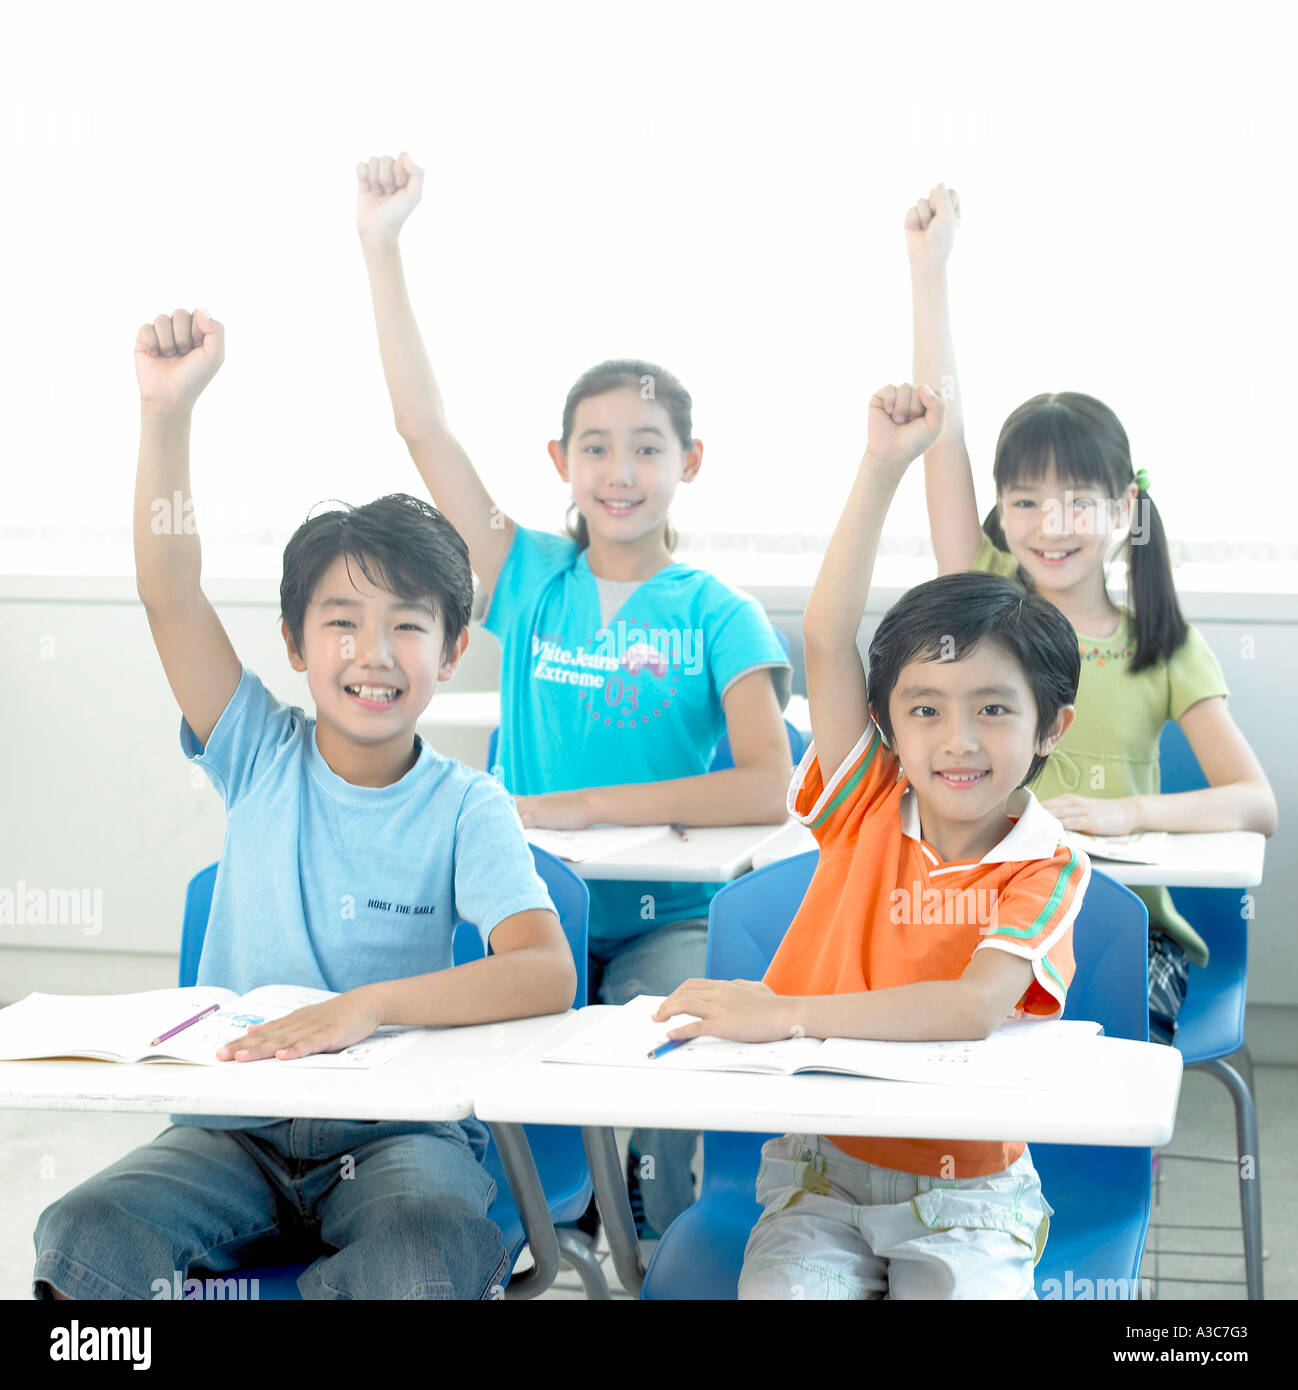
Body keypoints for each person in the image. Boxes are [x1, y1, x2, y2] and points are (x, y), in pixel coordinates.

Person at [32, 308, 575, 1301]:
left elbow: (541, 969)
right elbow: (169, 593)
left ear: (452, 651)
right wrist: (165, 414)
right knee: (81, 1237)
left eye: (406, 624)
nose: (372, 653)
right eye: (341, 623)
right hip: (230, 1126)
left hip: (399, 1131)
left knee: (426, 1254)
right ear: (294, 642)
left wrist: (363, 1009)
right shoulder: (257, 751)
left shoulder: (468, 805)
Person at [357, 152, 794, 1239]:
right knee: (457, 1058)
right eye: (595, 446)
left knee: (669, 1062)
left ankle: (655, 1227)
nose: (619, 468)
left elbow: (766, 786)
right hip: (534, 905)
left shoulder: (717, 611)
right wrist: (382, 245)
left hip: (665, 922)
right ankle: (499, 1225)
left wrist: (583, 804)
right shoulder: (528, 580)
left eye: (646, 447)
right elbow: (424, 431)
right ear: (559, 459)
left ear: (689, 461)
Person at [655, 381, 1088, 1299]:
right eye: (924, 710)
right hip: (823, 1176)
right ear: (888, 724)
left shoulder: (1048, 865)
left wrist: (791, 1012)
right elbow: (824, 634)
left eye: (994, 710)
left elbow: (971, 1007)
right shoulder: (864, 801)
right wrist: (883, 464)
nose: (957, 740)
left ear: (1051, 726)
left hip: (968, 1193)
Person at [907, 183, 1277, 1041]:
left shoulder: (1162, 649)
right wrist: (930, 274)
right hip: (980, 912)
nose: (1052, 525)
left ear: (1124, 509)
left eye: (1079, 500)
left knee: (1093, 1049)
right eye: (1027, 501)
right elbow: (944, 430)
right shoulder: (985, 593)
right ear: (1000, 510)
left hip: (1120, 928)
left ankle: (1109, 1175)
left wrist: (1127, 814)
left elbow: (1254, 801)